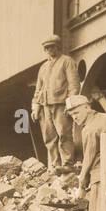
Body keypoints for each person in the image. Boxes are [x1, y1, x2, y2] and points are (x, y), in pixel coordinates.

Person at [31, 34, 81, 170]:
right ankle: (55, 164)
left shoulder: (67, 61)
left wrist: (70, 104)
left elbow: (74, 85)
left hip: (61, 105)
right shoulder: (43, 68)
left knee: (64, 134)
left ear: (57, 47)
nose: (49, 50)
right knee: (49, 137)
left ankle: (67, 164)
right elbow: (38, 89)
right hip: (45, 106)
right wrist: (35, 107)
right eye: (46, 48)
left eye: (51, 47)